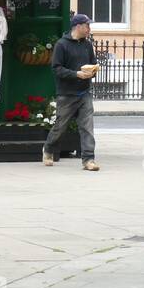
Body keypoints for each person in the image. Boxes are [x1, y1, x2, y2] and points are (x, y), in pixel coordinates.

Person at [44, 12, 100, 170]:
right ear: (78, 26)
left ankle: (88, 159)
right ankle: (48, 149)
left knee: (87, 127)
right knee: (60, 127)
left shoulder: (87, 45)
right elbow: (56, 69)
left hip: (84, 93)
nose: (89, 28)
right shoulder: (62, 44)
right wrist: (76, 74)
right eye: (87, 25)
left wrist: (93, 71)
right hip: (66, 94)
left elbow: (93, 63)